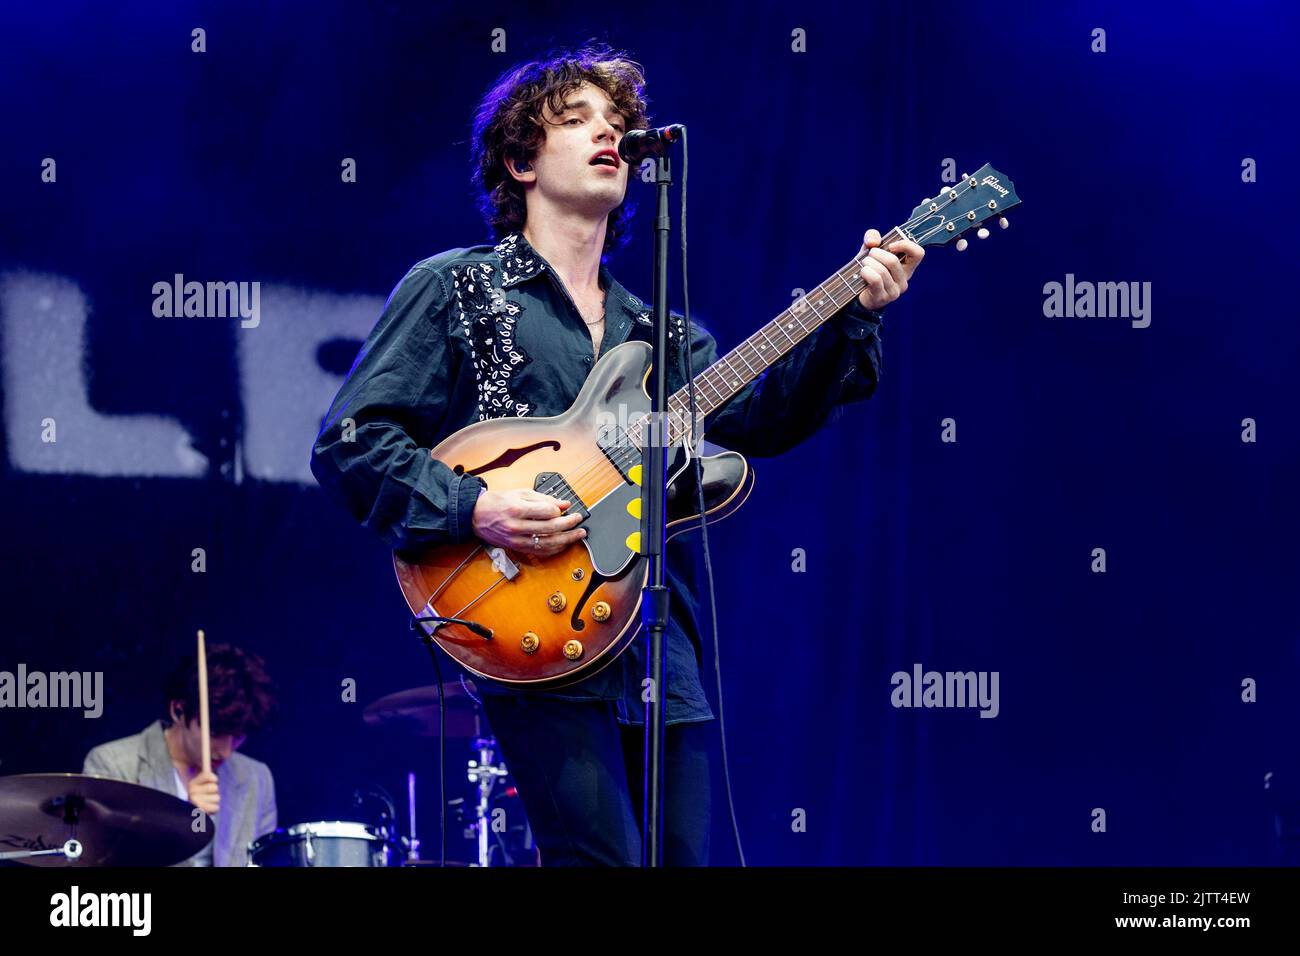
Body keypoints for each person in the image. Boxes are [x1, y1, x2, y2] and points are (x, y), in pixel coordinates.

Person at [310, 44, 923, 866]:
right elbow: (353, 439)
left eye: (619, 122)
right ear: (522, 159)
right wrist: (475, 506)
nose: (611, 133)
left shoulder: (658, 328)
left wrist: (856, 310)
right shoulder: (457, 286)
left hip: (657, 640)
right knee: (600, 859)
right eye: (577, 120)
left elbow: (762, 420)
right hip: (527, 617)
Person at [83, 643, 277, 867]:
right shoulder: (114, 766)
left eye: (237, 738)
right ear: (178, 711)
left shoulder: (256, 778)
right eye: (214, 733)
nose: (225, 750)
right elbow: (106, 866)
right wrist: (183, 823)